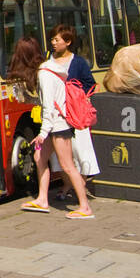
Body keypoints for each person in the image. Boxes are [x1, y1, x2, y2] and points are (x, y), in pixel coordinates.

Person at [12, 27, 94, 219]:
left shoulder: (45, 74)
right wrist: (28, 100)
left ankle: (85, 207)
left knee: (67, 165)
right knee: (39, 158)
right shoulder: (46, 69)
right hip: (54, 124)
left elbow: (49, 107)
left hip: (59, 125)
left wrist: (42, 133)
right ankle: (42, 199)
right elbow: (48, 100)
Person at [51, 25, 99, 201]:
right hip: (59, 114)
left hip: (77, 114)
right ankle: (67, 185)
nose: (53, 43)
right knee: (61, 155)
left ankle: (81, 184)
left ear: (68, 42)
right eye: (53, 40)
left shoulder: (78, 62)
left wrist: (80, 96)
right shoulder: (50, 62)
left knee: (81, 150)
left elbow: (90, 83)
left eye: (57, 40)